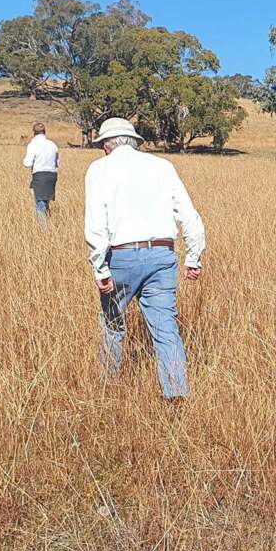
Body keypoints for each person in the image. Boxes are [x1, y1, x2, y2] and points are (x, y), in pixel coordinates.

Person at [83, 117, 207, 400]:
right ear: (134, 142)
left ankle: (108, 389)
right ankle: (176, 395)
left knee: (112, 324)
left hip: (121, 258)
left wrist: (100, 269)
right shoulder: (162, 166)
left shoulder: (99, 169)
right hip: (163, 255)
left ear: (106, 145)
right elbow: (189, 215)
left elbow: (95, 223)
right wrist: (193, 257)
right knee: (166, 328)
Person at [22, 121, 60, 222]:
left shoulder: (33, 144)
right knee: (46, 201)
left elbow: (27, 163)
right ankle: (47, 224)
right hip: (52, 175)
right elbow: (57, 163)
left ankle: (42, 230)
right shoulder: (53, 145)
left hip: (40, 175)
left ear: (34, 133)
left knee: (40, 203)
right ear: (44, 132)